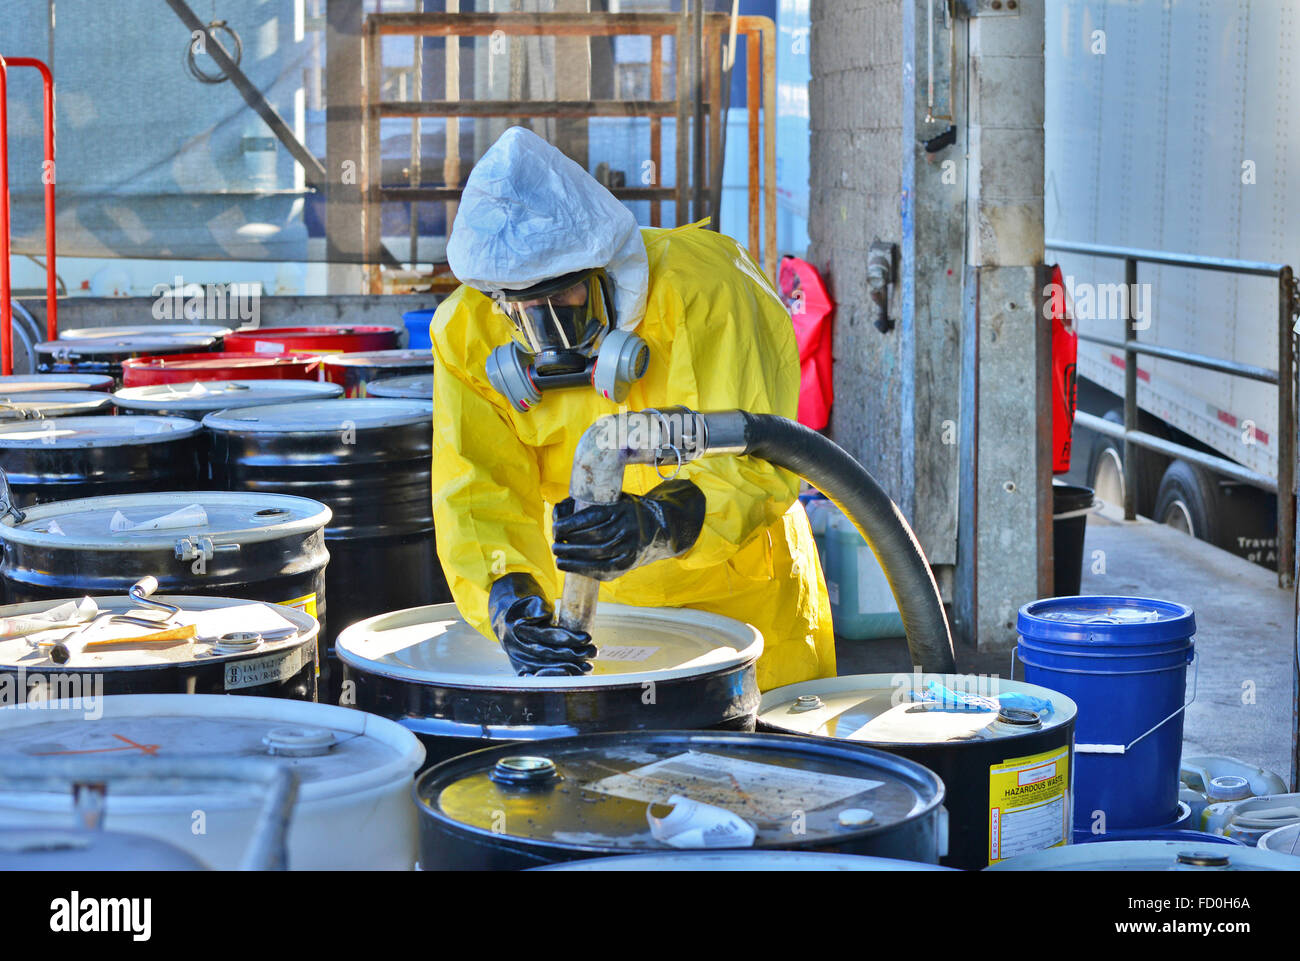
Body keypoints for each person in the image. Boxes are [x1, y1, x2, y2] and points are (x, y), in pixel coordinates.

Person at [430, 125, 835, 691]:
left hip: (742, 600)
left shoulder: (707, 288)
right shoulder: (466, 331)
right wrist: (509, 598)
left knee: (761, 765)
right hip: (596, 612)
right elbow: (475, 489)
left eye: (565, 299)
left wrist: (657, 523)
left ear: (608, 268)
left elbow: (759, 457)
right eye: (520, 309)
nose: (549, 334)